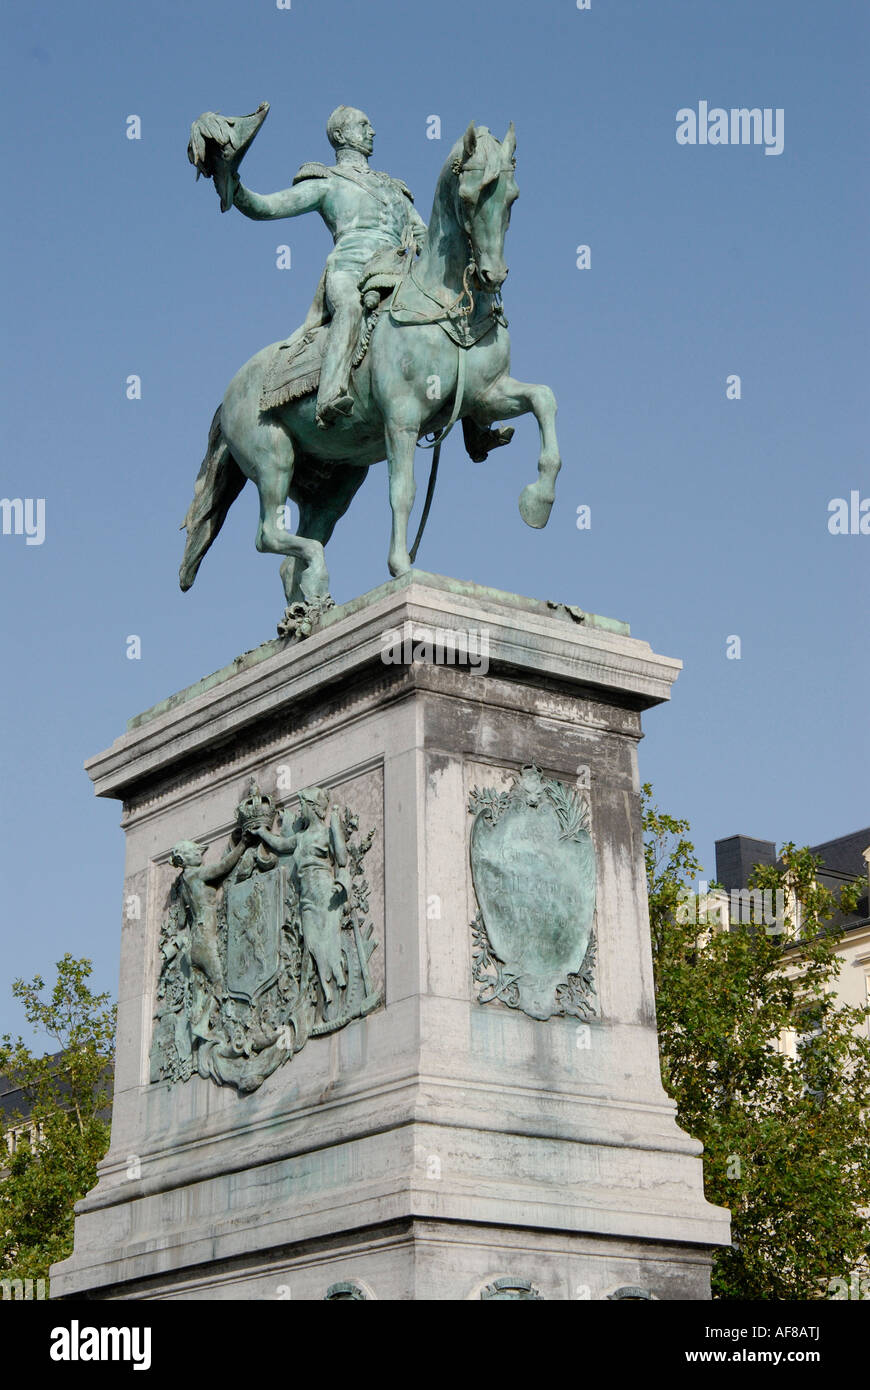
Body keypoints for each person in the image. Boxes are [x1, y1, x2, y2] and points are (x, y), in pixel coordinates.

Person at [228, 106, 427, 427]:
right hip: (351, 271)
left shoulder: (395, 189)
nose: (372, 131)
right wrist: (233, 184)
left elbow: (425, 236)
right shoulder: (328, 181)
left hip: (399, 273)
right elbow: (267, 207)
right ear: (340, 135)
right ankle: (330, 396)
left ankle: (475, 422)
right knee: (349, 310)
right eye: (364, 125)